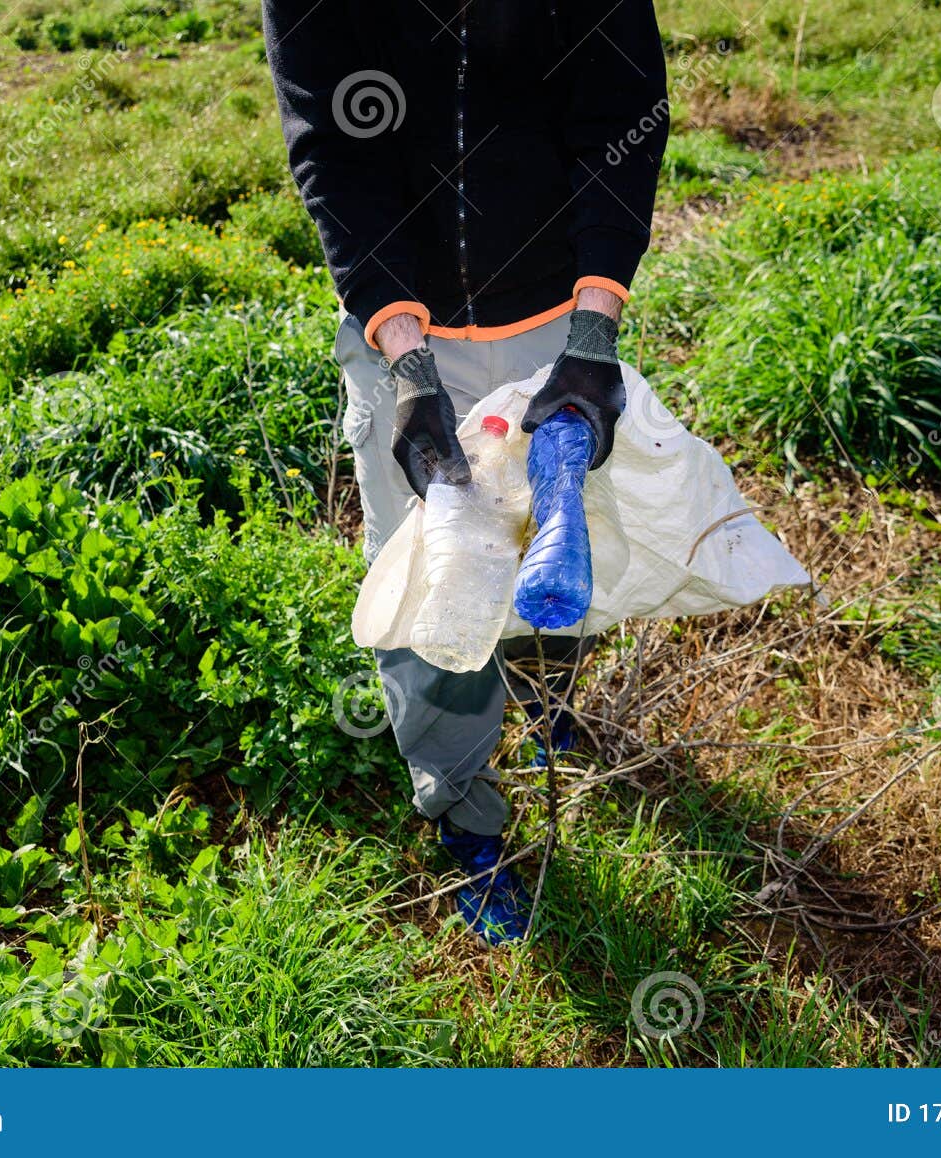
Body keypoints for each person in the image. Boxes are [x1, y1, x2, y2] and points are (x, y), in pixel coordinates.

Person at [264, 0, 668, 944]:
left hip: (554, 316)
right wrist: (409, 371)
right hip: (402, 325)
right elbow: (335, 150)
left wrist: (593, 336)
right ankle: (464, 811)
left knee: (557, 521)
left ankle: (543, 680)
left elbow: (620, 114)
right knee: (432, 583)